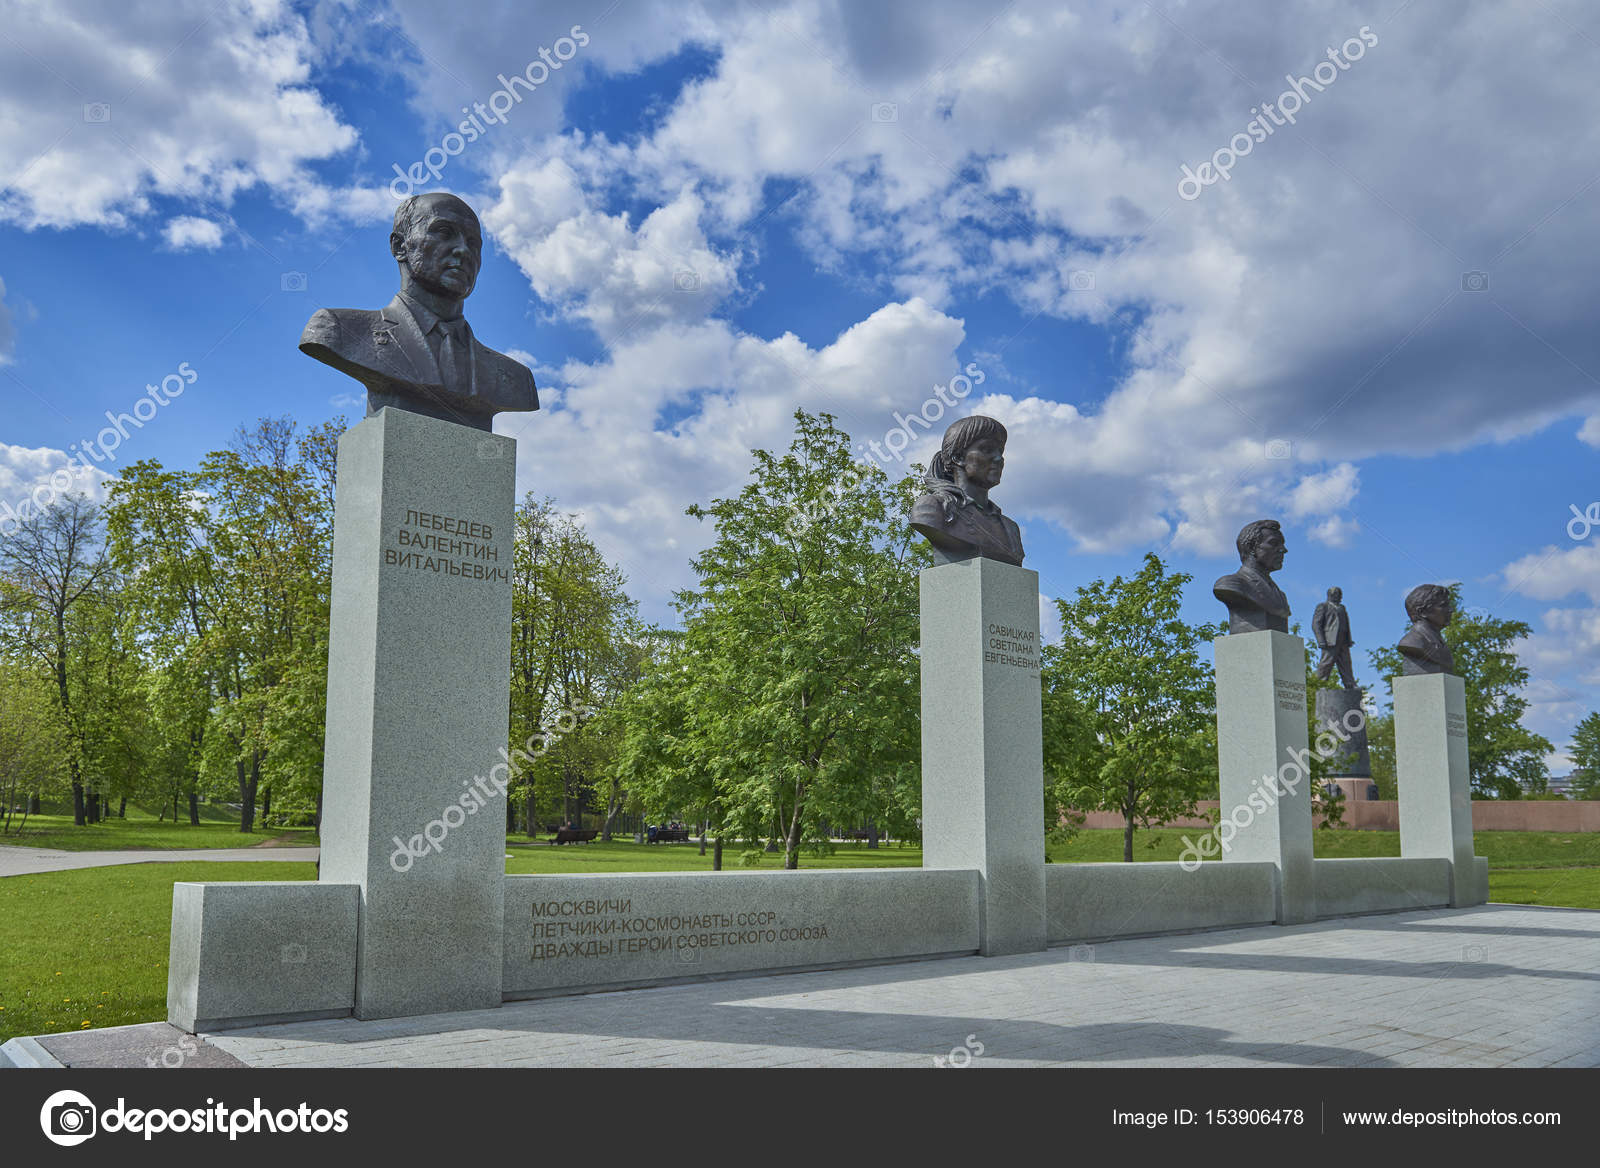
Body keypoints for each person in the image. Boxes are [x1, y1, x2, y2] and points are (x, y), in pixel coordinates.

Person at [299, 192, 538, 432]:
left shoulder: (517, 379)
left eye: (474, 243)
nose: (463, 251)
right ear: (399, 246)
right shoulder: (340, 329)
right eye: (444, 233)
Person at [908, 415, 1025, 565]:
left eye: (1000, 451)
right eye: (987, 449)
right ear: (958, 457)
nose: (999, 458)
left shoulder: (1010, 528)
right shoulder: (932, 508)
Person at [1213, 519, 1290, 633]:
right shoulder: (1231, 584)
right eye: (1273, 543)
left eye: (1282, 544)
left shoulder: (1281, 596)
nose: (1283, 550)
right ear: (1252, 548)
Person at [1397, 584, 1455, 675]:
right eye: (1443, 605)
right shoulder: (1411, 642)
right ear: (1422, 612)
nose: (1450, 610)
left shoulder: (1438, 641)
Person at [1312, 586, 1357, 688]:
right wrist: (1321, 640)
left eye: (1341, 594)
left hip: (1343, 640)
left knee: (1346, 663)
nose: (1340, 597)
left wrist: (1348, 639)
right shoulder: (1323, 606)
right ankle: (1319, 683)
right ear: (1331, 595)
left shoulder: (1342, 608)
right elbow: (1316, 624)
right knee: (1326, 663)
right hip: (1330, 640)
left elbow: (1346, 624)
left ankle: (1349, 683)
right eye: (1338, 594)